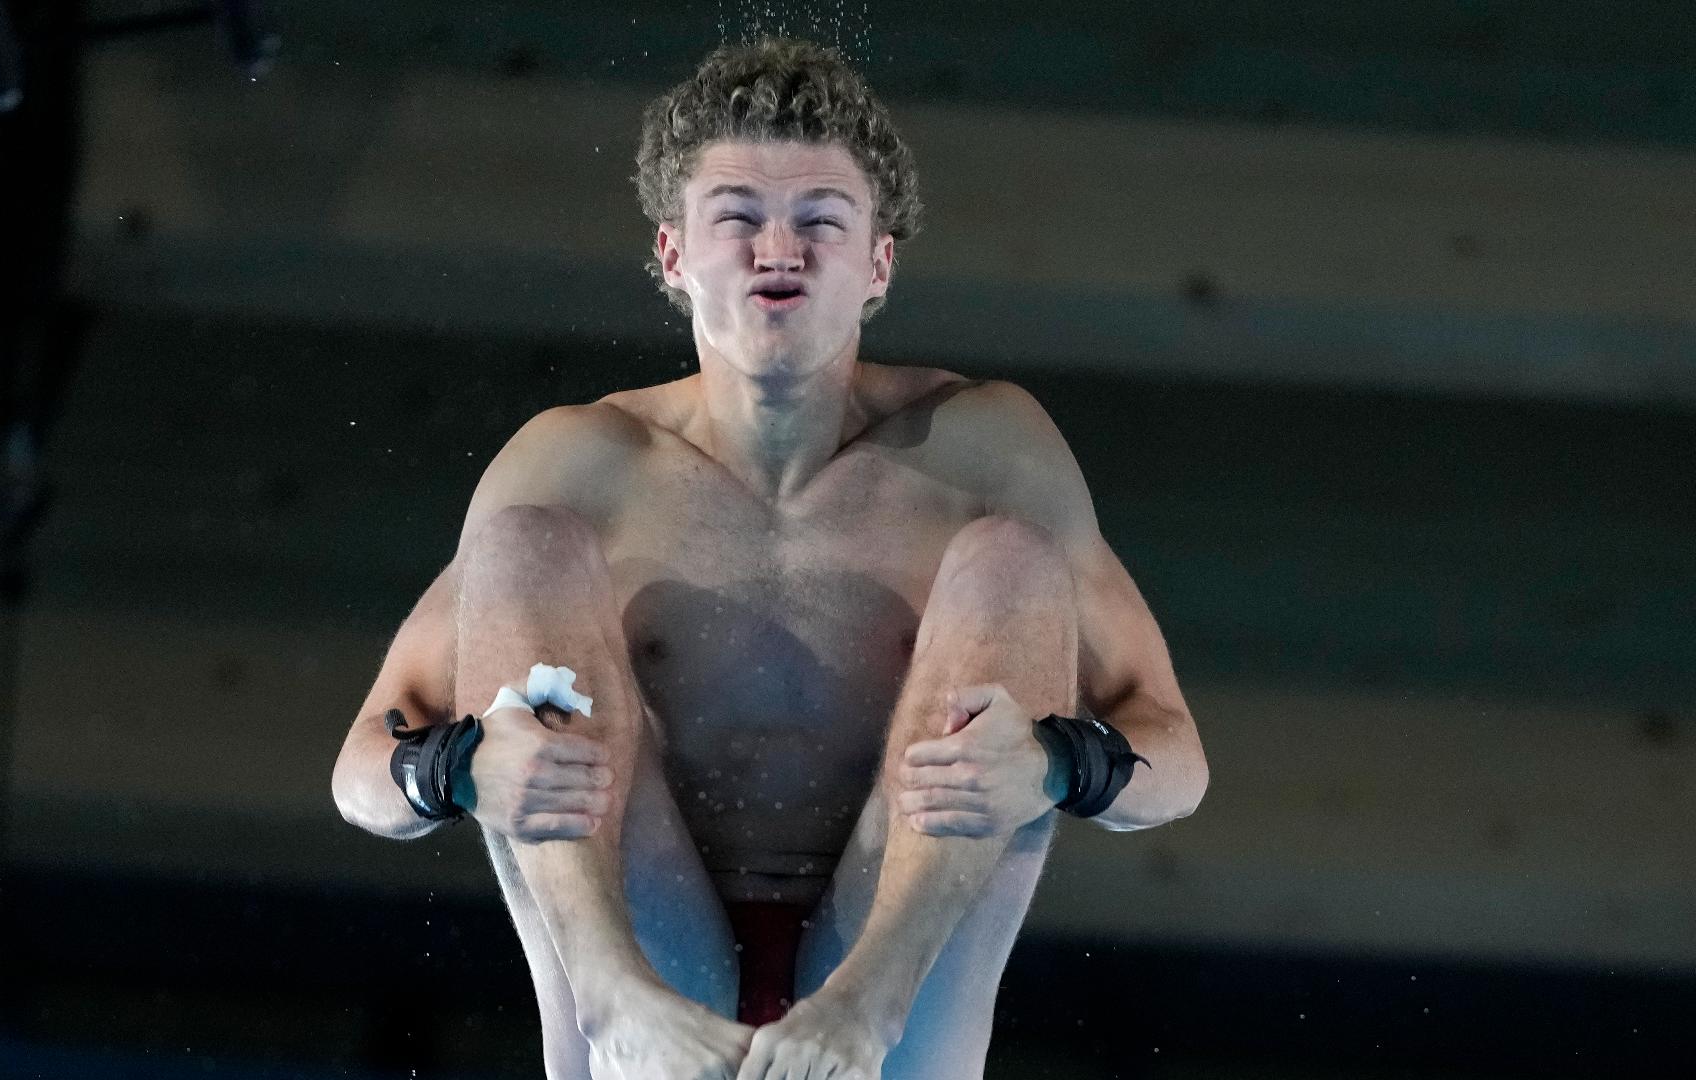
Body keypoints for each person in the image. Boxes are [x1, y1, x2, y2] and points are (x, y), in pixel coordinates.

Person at [331, 37, 1208, 1080]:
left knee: (1009, 566)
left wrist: (1063, 762)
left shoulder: (988, 450)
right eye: (738, 218)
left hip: (889, 999)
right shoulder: (580, 465)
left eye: (819, 222)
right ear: (672, 258)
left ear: (877, 263)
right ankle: (616, 1003)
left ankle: (862, 1013)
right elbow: (361, 779)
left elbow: (1177, 765)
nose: (775, 248)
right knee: (523, 546)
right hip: (649, 978)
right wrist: (460, 767)